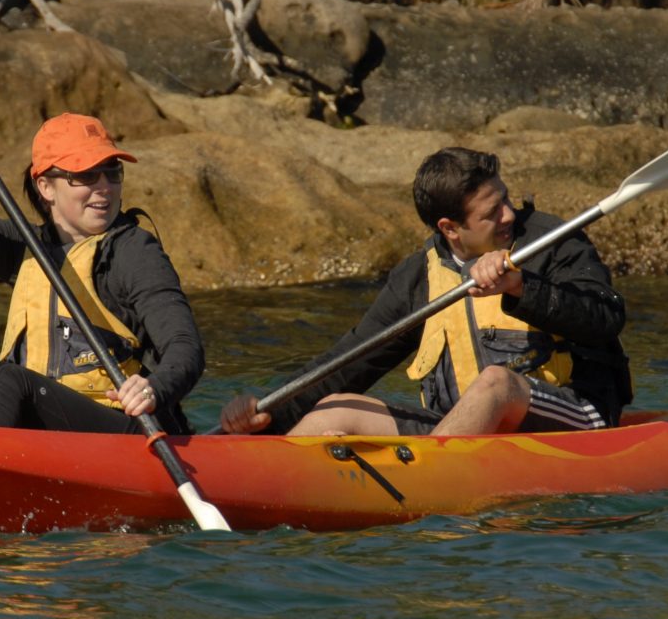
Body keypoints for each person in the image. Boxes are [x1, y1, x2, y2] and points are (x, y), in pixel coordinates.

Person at [220, 146, 631, 438]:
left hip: (576, 416)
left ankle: (433, 482)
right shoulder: (418, 277)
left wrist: (521, 286)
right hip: (461, 430)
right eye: (491, 213)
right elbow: (350, 362)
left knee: (495, 383)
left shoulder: (552, 241)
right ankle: (257, 486)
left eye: (505, 198)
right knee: (336, 406)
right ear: (450, 228)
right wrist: (266, 415)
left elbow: (606, 317)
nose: (508, 214)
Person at [0, 112, 203, 434]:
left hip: (124, 428)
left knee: (4, 377)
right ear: (46, 187)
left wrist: (154, 388)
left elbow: (184, 345)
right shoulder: (24, 247)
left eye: (112, 173)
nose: (104, 187)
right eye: (86, 176)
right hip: (44, 425)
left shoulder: (133, 251)